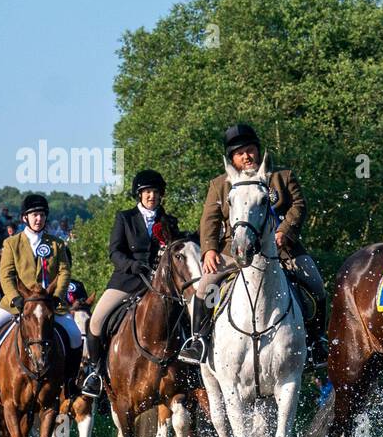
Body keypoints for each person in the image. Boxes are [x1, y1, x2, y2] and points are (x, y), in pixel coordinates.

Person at [182, 123, 328, 368]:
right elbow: (210, 219)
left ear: (258, 151)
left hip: (282, 251)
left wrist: (285, 230)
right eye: (240, 153)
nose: (246, 156)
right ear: (232, 158)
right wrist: (208, 249)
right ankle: (199, 340)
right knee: (205, 288)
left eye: (250, 150)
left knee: (316, 284)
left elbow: (299, 206)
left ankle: (316, 341)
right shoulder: (220, 184)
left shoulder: (282, 177)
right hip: (233, 251)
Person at [0, 194, 83, 396]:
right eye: (35, 215)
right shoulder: (12, 243)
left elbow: (64, 271)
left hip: (50, 303)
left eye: (42, 215)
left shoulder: (57, 244)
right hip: (17, 302)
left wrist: (56, 296)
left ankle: (71, 381)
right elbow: (6, 274)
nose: (39, 219)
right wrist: (15, 297)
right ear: (25, 218)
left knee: (75, 335)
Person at [81, 169, 182, 397]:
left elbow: (176, 250)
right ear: (139, 194)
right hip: (127, 280)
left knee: (185, 316)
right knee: (96, 321)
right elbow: (114, 251)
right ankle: (96, 373)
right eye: (147, 192)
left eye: (155, 192)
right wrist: (131, 265)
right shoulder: (124, 218)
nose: (151, 196)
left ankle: (190, 362)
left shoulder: (169, 221)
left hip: (160, 285)